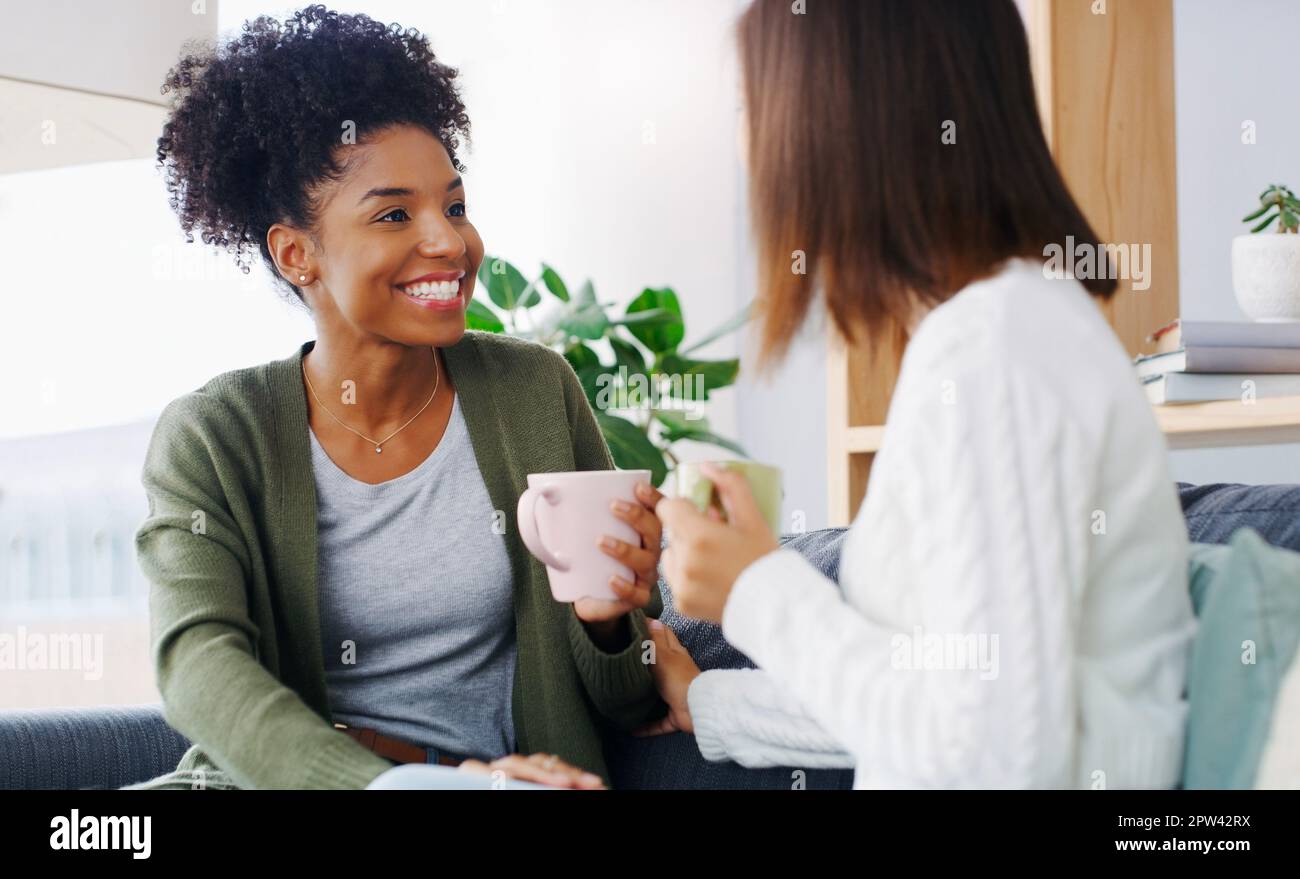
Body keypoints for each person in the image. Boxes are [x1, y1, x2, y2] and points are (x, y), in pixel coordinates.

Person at [640, 0, 1197, 789]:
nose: (745, 142)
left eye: (751, 103)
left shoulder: (995, 349)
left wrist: (758, 588)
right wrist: (709, 701)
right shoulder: (1001, 328)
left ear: (838, 116)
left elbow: (996, 755)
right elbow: (936, 699)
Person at [125, 5, 665, 791]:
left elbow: (626, 699)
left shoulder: (534, 392)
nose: (449, 241)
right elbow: (197, 667)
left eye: (454, 205)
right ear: (296, 253)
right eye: (393, 214)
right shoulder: (214, 436)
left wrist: (610, 615)